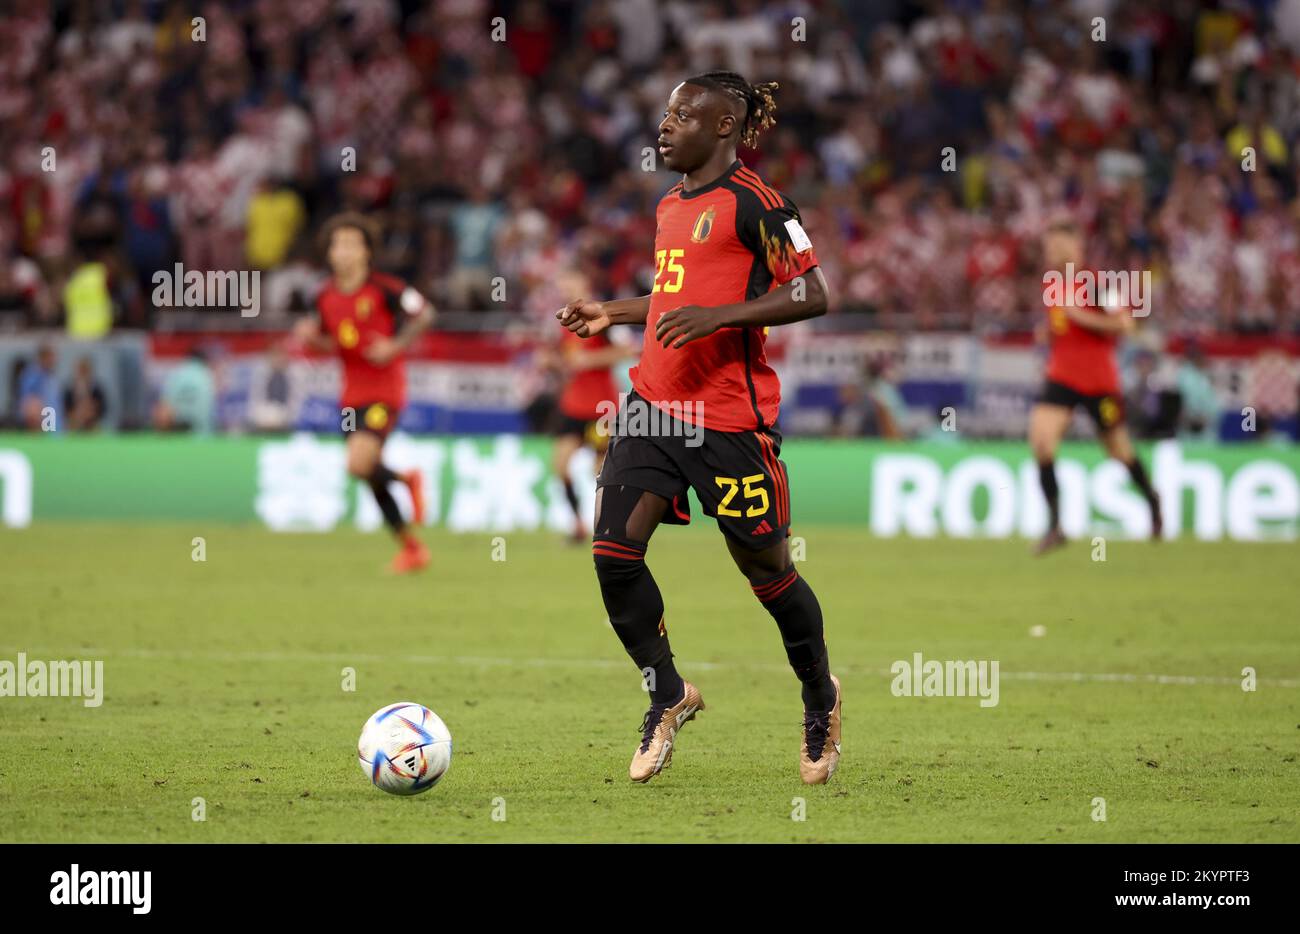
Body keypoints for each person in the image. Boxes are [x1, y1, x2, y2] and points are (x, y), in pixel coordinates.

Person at [557, 72, 840, 784]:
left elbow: (812, 291)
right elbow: (675, 297)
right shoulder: (671, 206)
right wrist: (612, 312)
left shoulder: (762, 205)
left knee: (767, 572)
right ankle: (667, 693)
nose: (666, 123)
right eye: (666, 112)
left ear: (723, 127)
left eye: (684, 114)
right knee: (614, 554)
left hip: (729, 420)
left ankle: (818, 697)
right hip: (653, 406)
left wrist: (721, 319)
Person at [293, 213, 437, 574]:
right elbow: (329, 342)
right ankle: (411, 548)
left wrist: (395, 345)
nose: (343, 251)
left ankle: (408, 480)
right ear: (328, 253)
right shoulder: (322, 296)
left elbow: (425, 313)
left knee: (359, 463)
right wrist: (313, 340)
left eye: (351, 244)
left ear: (366, 252)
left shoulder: (386, 288)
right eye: (337, 244)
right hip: (350, 395)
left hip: (384, 392)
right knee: (368, 473)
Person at [1029, 219, 1162, 554]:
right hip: (1061, 376)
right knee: (1042, 442)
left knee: (1118, 450)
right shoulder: (1053, 284)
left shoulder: (1099, 282)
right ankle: (1055, 525)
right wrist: (1049, 331)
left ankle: (1153, 501)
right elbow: (1062, 325)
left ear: (1076, 248)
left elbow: (1127, 325)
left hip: (1099, 381)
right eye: (1048, 247)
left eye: (1056, 246)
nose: (1051, 253)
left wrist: (1081, 317)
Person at [552, 320, 635, 542]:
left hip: (601, 408)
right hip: (574, 407)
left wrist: (590, 360)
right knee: (560, 466)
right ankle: (578, 524)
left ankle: (611, 527)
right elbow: (566, 360)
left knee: (600, 470)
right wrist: (552, 362)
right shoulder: (566, 328)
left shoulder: (604, 322)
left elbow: (629, 350)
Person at [63, 357, 106, 430]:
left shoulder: (96, 389)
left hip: (93, 425)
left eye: (85, 370)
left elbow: (103, 408)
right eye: (81, 370)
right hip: (74, 424)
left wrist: (91, 412)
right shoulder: (70, 389)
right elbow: (65, 408)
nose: (83, 373)